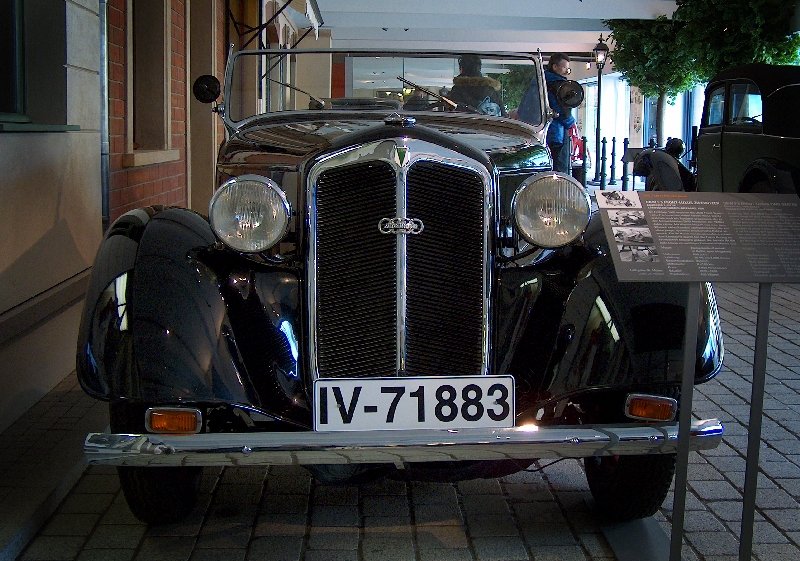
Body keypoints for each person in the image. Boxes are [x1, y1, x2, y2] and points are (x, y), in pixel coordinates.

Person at [544, 53, 576, 173]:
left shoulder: (540, 81)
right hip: (556, 133)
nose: (566, 71)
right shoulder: (557, 84)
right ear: (555, 67)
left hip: (543, 132)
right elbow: (562, 111)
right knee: (560, 170)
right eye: (564, 67)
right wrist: (571, 122)